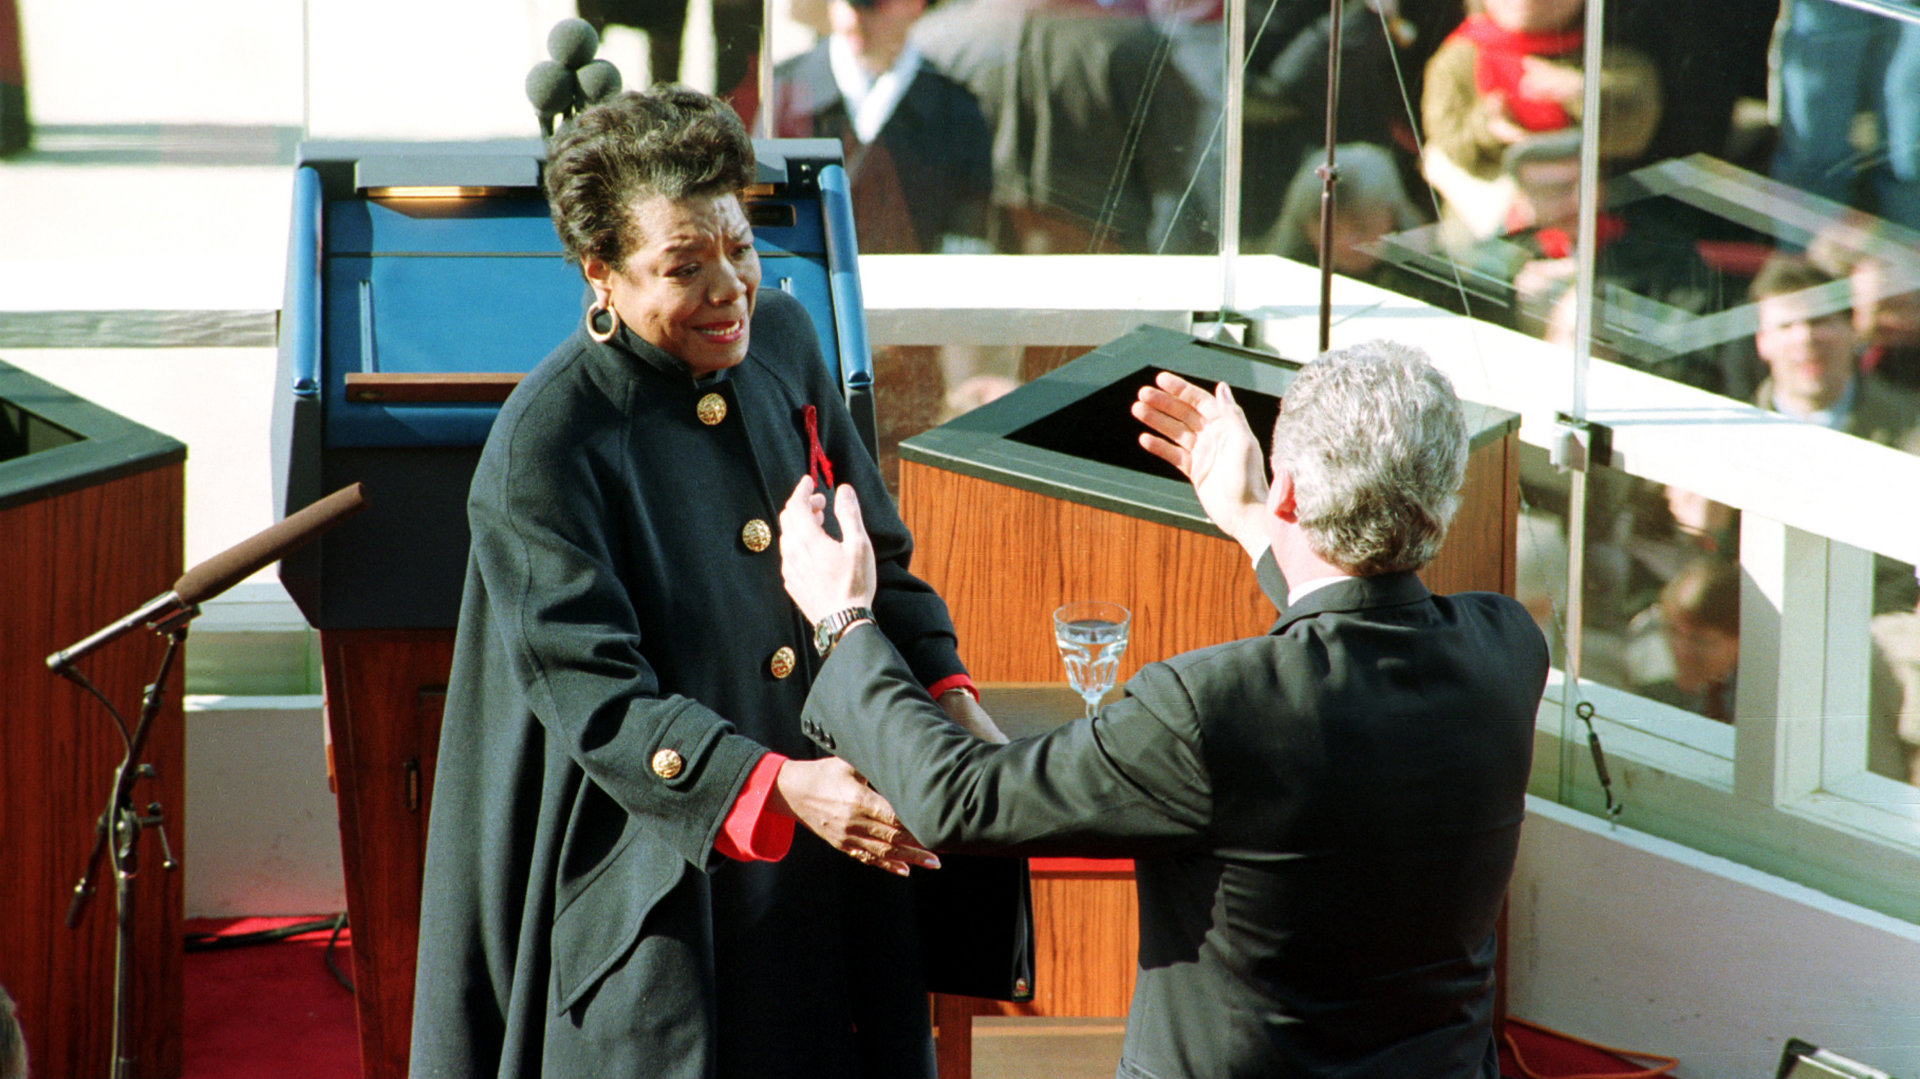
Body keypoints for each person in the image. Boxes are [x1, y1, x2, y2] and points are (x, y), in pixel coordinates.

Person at [408, 85, 1004, 1079]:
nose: (730, 287)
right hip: (665, 894)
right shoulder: (544, 446)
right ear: (600, 274)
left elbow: (879, 555)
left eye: (741, 246)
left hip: (837, 866)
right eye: (685, 267)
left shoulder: (784, 338)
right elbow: (601, 707)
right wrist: (775, 785)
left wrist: (953, 702)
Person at [778, 340, 1551, 1078]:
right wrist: (1255, 520)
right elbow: (1356, 637)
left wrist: (845, 622)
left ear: (1288, 488)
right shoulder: (1508, 650)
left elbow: (962, 798)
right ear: (1443, 503)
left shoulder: (1208, 708)